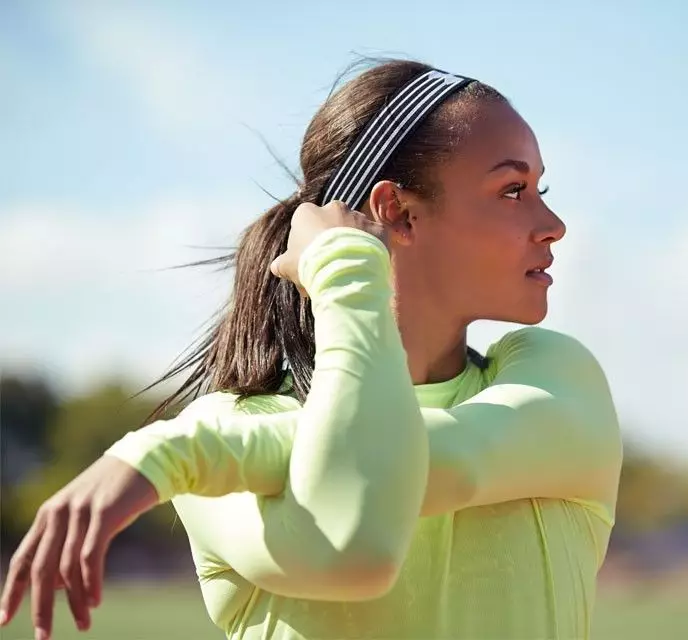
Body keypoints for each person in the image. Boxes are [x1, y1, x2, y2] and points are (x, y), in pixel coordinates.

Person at [0, 59, 623, 640]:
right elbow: (353, 540)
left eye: (540, 188)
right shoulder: (233, 426)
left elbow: (389, 468)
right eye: (513, 191)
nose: (554, 223)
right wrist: (352, 272)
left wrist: (163, 452)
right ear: (398, 213)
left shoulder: (557, 379)